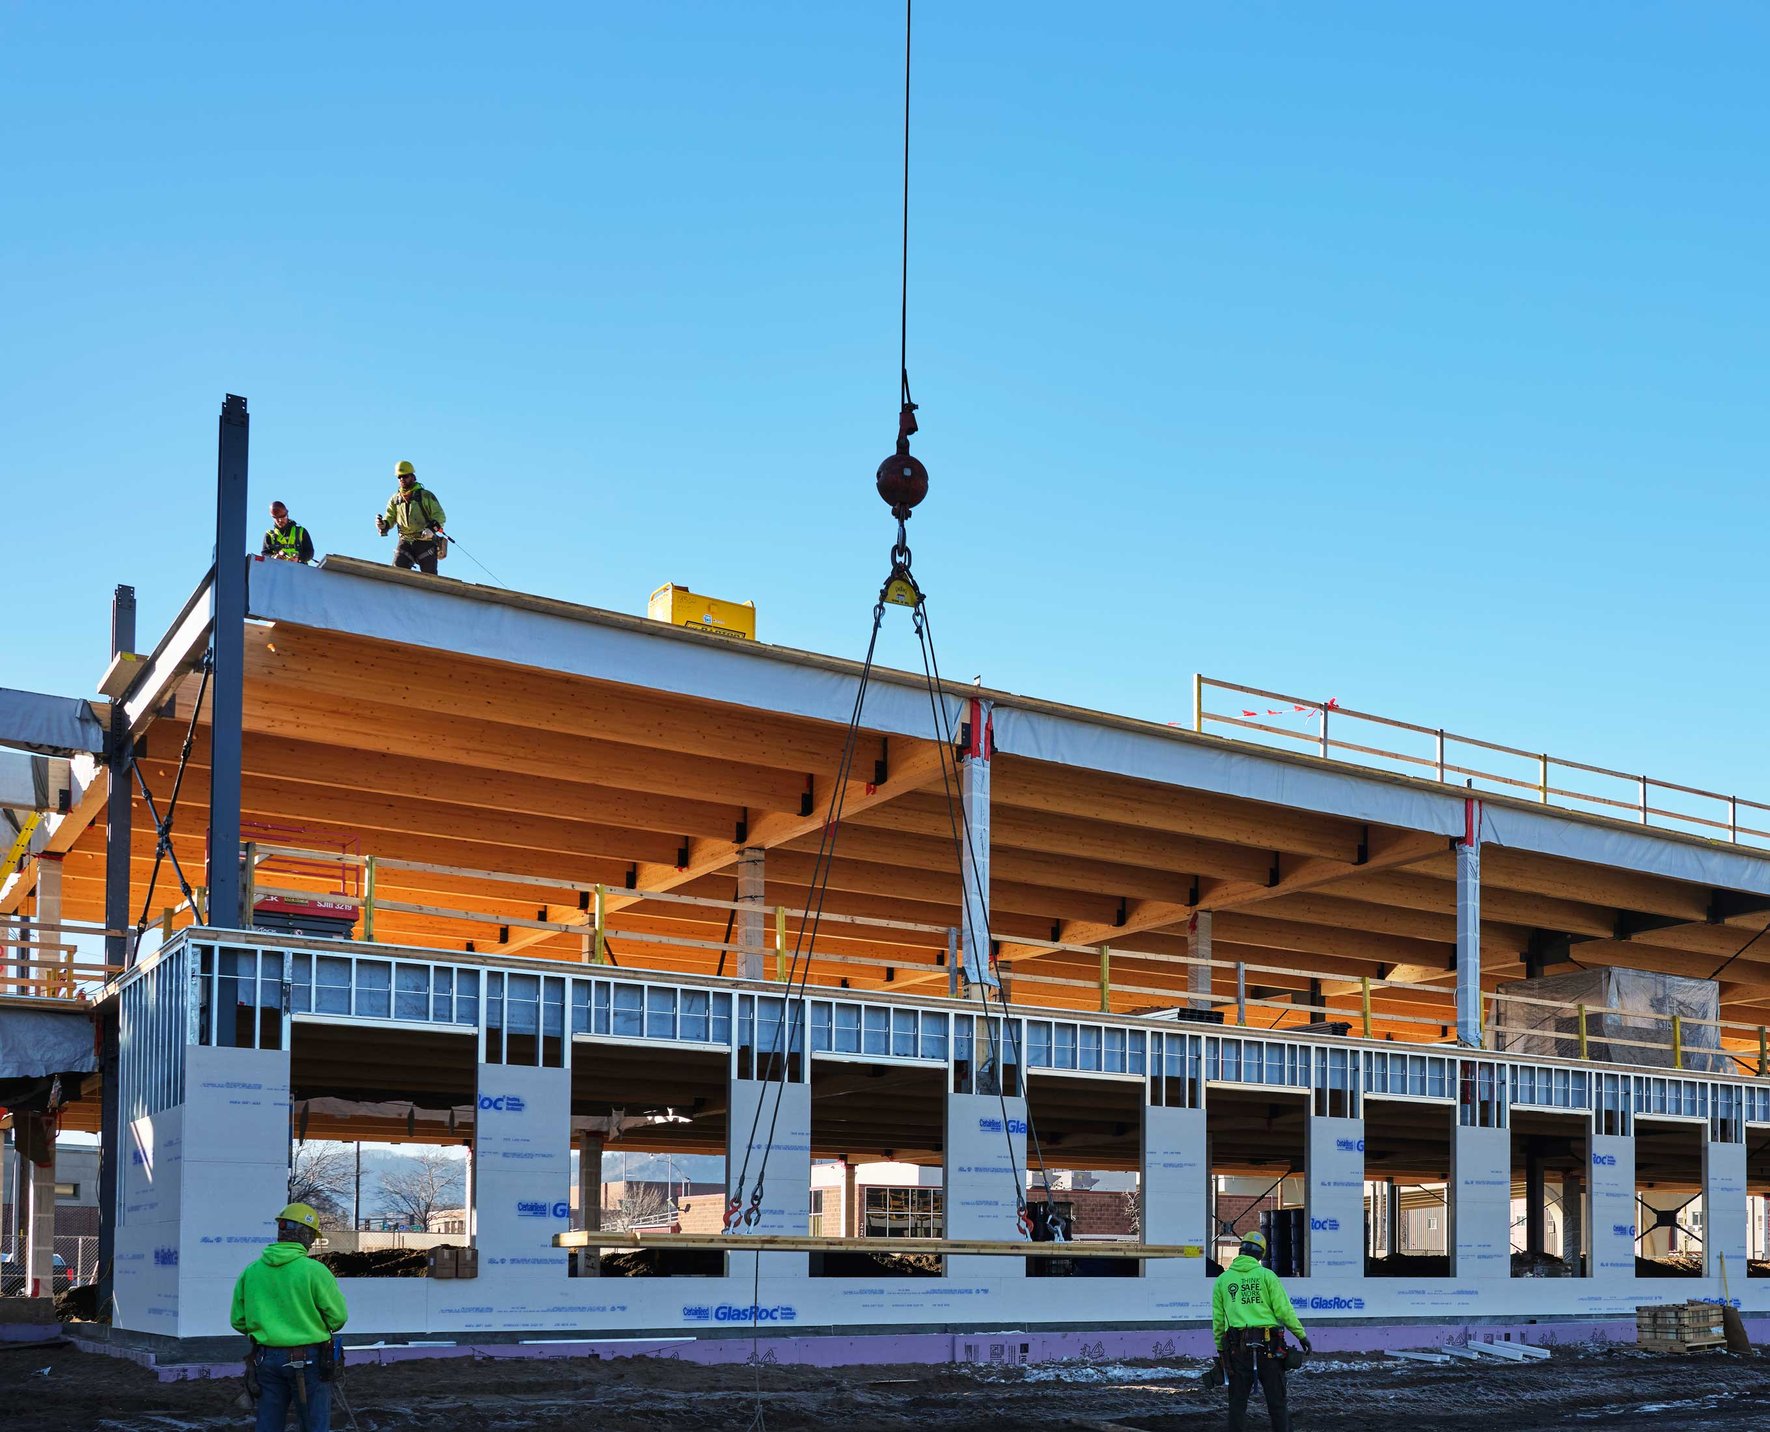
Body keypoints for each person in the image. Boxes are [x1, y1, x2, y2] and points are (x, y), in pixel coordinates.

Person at [230, 1201, 349, 1432]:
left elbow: (238, 1321)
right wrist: (307, 1324)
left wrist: (269, 1330)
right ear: (306, 1235)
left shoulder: (252, 1271)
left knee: (268, 1423)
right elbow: (337, 1318)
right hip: (309, 1360)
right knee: (314, 1424)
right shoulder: (314, 1271)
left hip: (265, 1360)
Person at [1211, 1229, 1309, 1432]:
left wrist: (1222, 1350)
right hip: (1270, 1351)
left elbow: (1218, 1322)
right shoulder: (1267, 1276)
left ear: (1240, 1251)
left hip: (1238, 1352)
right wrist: (1301, 1335)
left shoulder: (1223, 1280)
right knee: (1277, 1405)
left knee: (1237, 1406)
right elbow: (1284, 1311)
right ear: (1261, 1254)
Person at [375, 460, 447, 574]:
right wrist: (384, 524)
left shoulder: (426, 496)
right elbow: (390, 516)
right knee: (396, 573)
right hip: (405, 541)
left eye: (405, 476)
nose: (402, 479)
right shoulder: (395, 499)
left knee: (429, 577)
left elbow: (440, 516)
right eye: (399, 477)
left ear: (413, 477)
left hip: (425, 542)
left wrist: (431, 529)